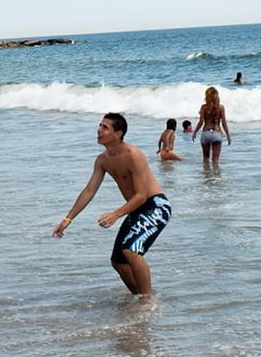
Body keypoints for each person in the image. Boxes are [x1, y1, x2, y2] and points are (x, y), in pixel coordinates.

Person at [51, 112, 171, 302]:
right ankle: (141, 296)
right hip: (135, 208)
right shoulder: (102, 160)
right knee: (118, 261)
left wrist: (116, 214)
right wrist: (68, 219)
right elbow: (89, 190)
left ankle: (147, 301)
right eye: (99, 126)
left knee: (131, 250)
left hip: (155, 206)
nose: (99, 130)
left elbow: (141, 195)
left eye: (105, 127)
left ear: (118, 133)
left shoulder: (134, 155)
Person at [195, 85, 230, 167]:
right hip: (216, 134)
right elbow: (224, 123)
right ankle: (216, 178)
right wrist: (228, 135)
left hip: (206, 133)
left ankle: (207, 177)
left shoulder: (204, 107)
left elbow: (201, 122)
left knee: (205, 159)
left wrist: (195, 132)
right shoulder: (221, 107)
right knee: (215, 160)